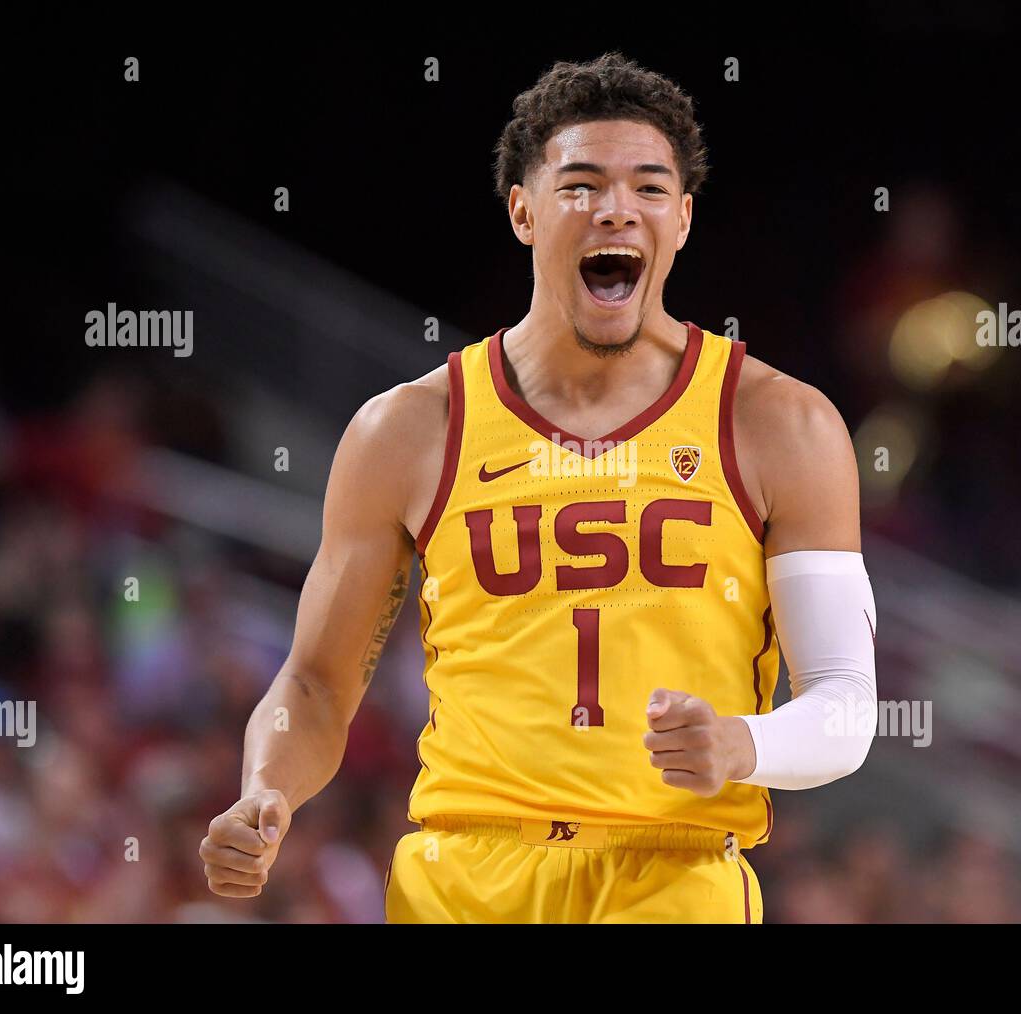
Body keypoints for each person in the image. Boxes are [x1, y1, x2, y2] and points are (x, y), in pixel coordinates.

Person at [200, 52, 877, 923]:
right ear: (522, 210)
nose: (616, 209)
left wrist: (740, 744)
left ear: (682, 220)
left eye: (649, 187)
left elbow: (847, 708)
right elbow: (317, 687)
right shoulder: (408, 430)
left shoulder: (782, 422)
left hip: (672, 878)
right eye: (581, 185)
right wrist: (267, 792)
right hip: (460, 876)